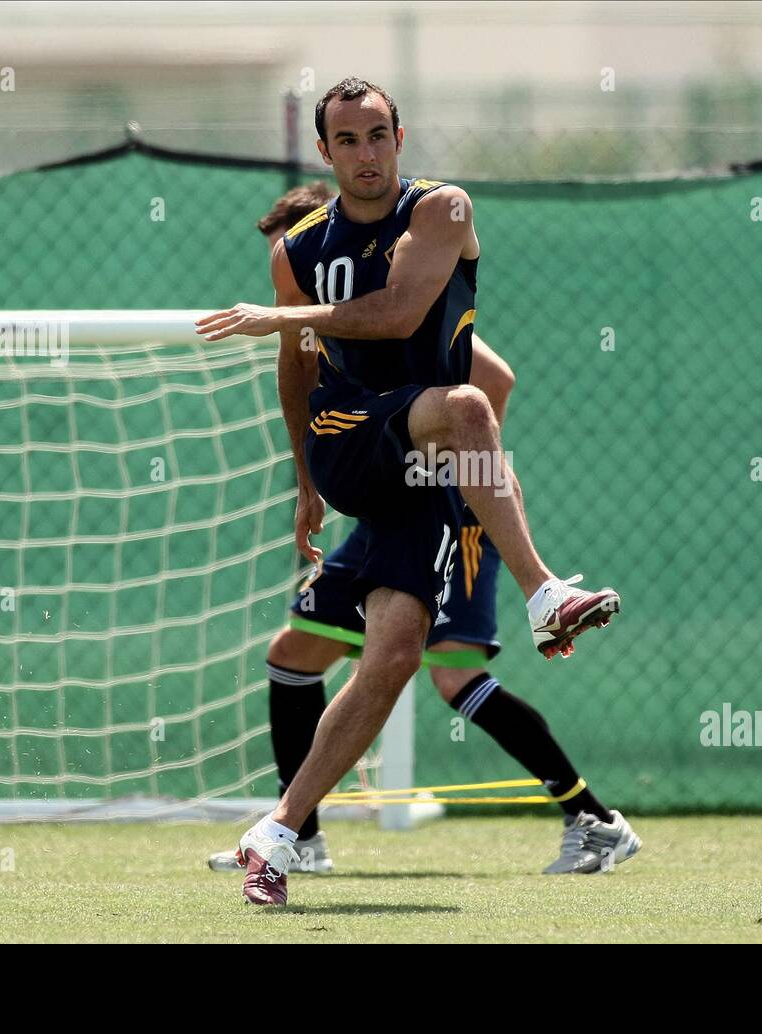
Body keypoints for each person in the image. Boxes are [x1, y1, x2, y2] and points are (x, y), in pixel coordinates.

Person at [195, 77, 622, 906]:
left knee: (395, 655)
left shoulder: (443, 212)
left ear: (402, 136)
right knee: (461, 408)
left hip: (420, 470)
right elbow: (299, 369)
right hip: (349, 440)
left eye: (378, 135)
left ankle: (279, 833)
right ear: (325, 152)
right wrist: (304, 482)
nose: (365, 153)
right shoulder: (296, 252)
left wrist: (281, 318)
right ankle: (544, 597)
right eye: (347, 141)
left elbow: (396, 316)